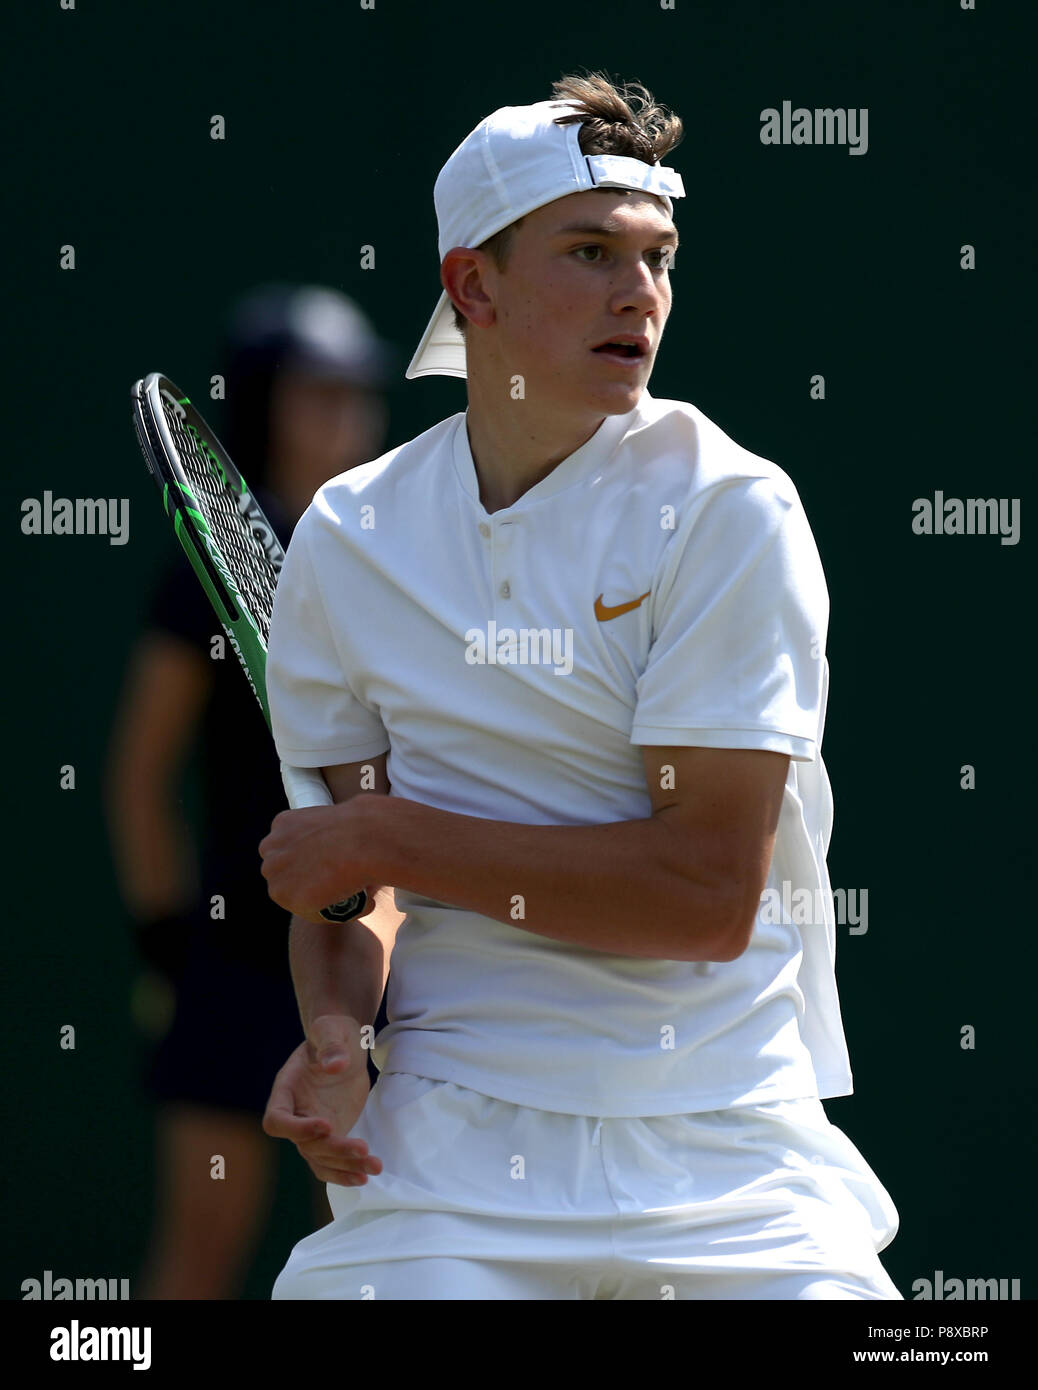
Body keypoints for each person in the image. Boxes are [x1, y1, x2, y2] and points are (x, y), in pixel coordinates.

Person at [257, 72, 903, 1301]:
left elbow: (705, 894)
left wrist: (385, 834)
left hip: (729, 1148)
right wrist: (339, 1028)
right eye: (592, 251)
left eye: (658, 256)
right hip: (450, 1147)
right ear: (473, 286)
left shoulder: (728, 510)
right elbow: (356, 897)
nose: (640, 293)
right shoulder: (351, 535)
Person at [106, 284, 393, 1299]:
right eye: (316, 396)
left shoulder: (382, 564)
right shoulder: (205, 576)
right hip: (231, 963)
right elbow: (140, 776)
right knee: (201, 1254)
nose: (345, 419)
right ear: (264, 406)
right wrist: (165, 945)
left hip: (365, 962)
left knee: (368, 1259)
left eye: (356, 396)